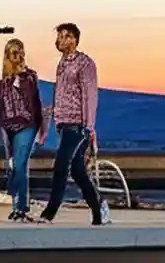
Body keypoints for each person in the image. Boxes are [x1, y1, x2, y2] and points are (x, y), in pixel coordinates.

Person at [38, 22, 107, 225]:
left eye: (65, 36)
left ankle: (49, 213)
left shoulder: (85, 63)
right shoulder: (62, 64)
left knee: (60, 166)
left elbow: (90, 95)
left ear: (74, 39)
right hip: (63, 122)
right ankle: (98, 211)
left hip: (77, 125)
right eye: (59, 36)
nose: (60, 40)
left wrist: (89, 126)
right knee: (77, 171)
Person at [0, 38, 44, 222]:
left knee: (20, 163)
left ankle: (21, 207)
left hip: (27, 124)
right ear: (7, 56)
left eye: (21, 52)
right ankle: (17, 202)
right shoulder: (2, 83)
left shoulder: (29, 77)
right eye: (14, 53)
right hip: (8, 126)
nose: (18, 56)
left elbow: (36, 102)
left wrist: (41, 129)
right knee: (14, 166)